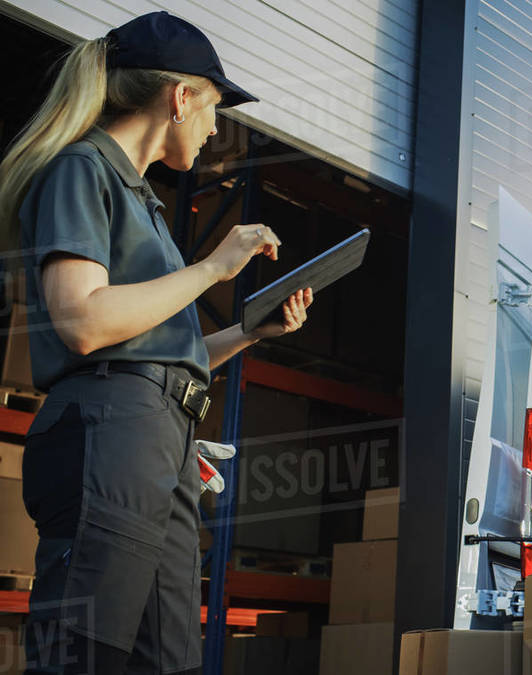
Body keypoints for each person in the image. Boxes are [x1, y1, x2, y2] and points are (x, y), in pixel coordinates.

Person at [0, 12, 314, 674]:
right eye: (213, 110)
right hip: (112, 435)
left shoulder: (142, 201)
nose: (213, 129)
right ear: (181, 96)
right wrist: (211, 269)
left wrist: (248, 332)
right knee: (84, 655)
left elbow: (158, 349)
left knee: (168, 658)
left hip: (157, 441)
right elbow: (83, 320)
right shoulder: (82, 169)